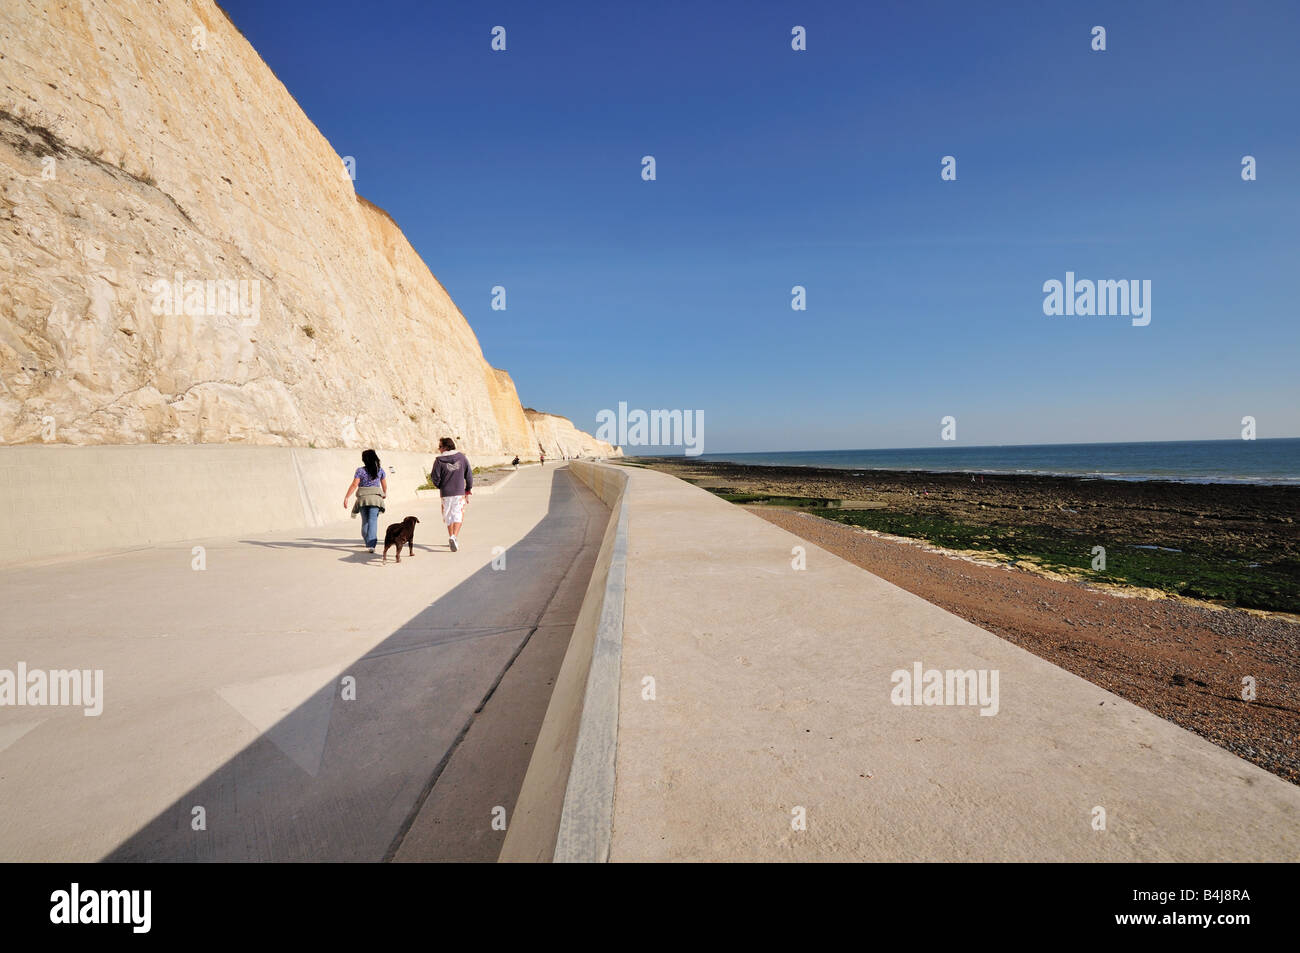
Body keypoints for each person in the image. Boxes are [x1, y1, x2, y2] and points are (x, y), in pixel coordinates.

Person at [430, 437, 473, 552]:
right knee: (458, 514)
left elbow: (434, 477)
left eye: (440, 447)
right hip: (459, 492)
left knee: (448, 515)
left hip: (445, 493)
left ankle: (451, 537)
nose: (439, 449)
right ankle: (454, 537)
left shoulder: (439, 460)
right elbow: (469, 475)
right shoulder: (462, 457)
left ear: (445, 447)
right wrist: (468, 489)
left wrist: (441, 486)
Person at [344, 449, 387, 553]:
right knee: (373, 521)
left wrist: (347, 497)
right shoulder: (380, 470)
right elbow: (384, 484)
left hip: (363, 499)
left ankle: (368, 541)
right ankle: (371, 544)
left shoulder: (360, 470)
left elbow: (354, 485)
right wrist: (384, 493)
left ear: (364, 459)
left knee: (365, 522)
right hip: (375, 499)